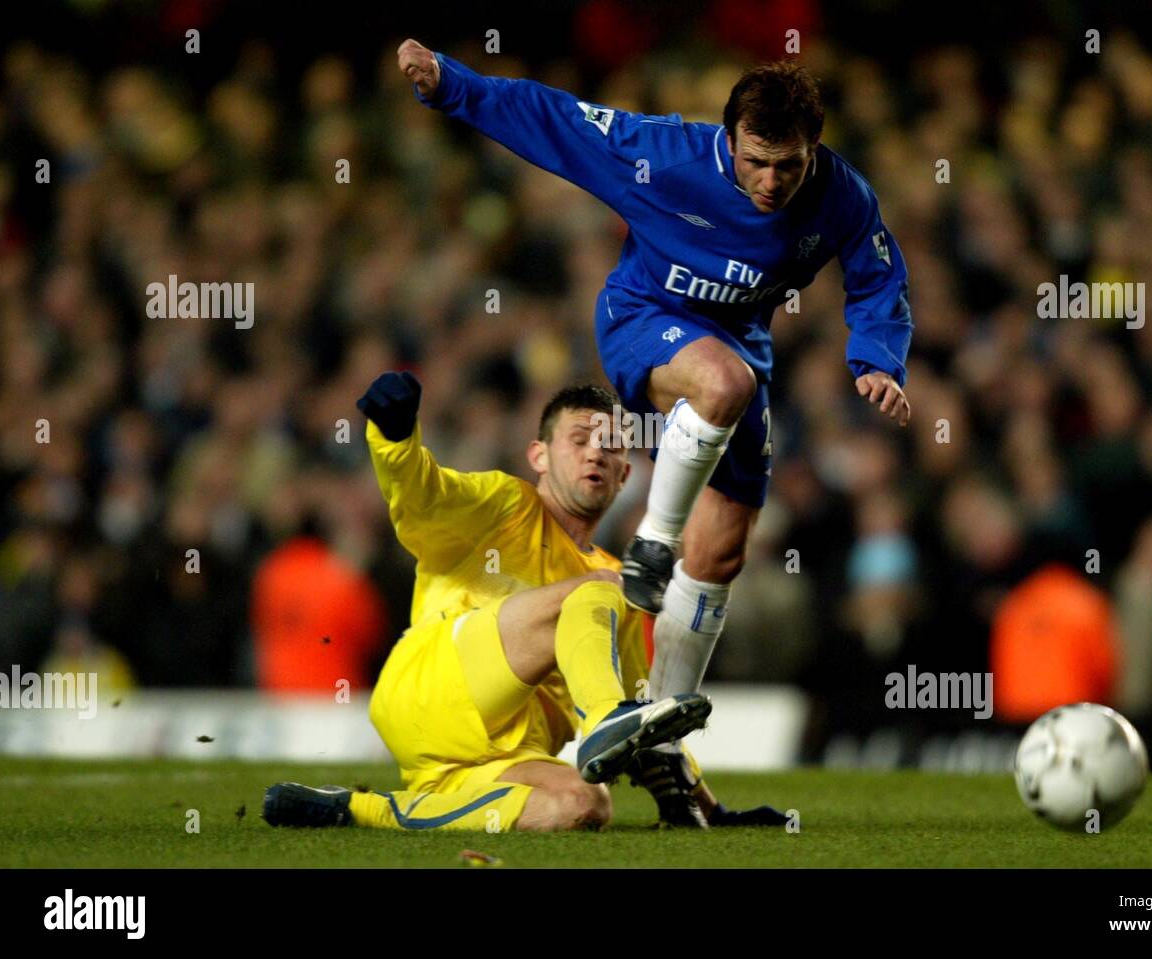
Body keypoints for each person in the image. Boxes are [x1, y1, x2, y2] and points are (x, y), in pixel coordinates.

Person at [395, 41, 913, 761]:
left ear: (813, 151)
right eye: (754, 161)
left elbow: (877, 274)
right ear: (727, 138)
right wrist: (451, 84)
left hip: (741, 349)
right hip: (643, 319)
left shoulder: (842, 195)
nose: (768, 181)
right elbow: (554, 118)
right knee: (721, 385)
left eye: (786, 166)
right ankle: (652, 541)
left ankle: (661, 746)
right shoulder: (662, 156)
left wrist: (877, 360)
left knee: (725, 548)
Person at [264, 373, 785, 830]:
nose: (596, 453)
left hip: (496, 756)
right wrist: (396, 437)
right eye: (579, 439)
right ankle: (598, 719)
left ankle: (362, 809)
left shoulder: (615, 583)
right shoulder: (503, 504)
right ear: (538, 455)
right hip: (430, 691)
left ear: (626, 476)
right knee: (599, 592)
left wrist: (711, 808)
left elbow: (642, 711)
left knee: (585, 806)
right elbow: (424, 497)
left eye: (612, 446)